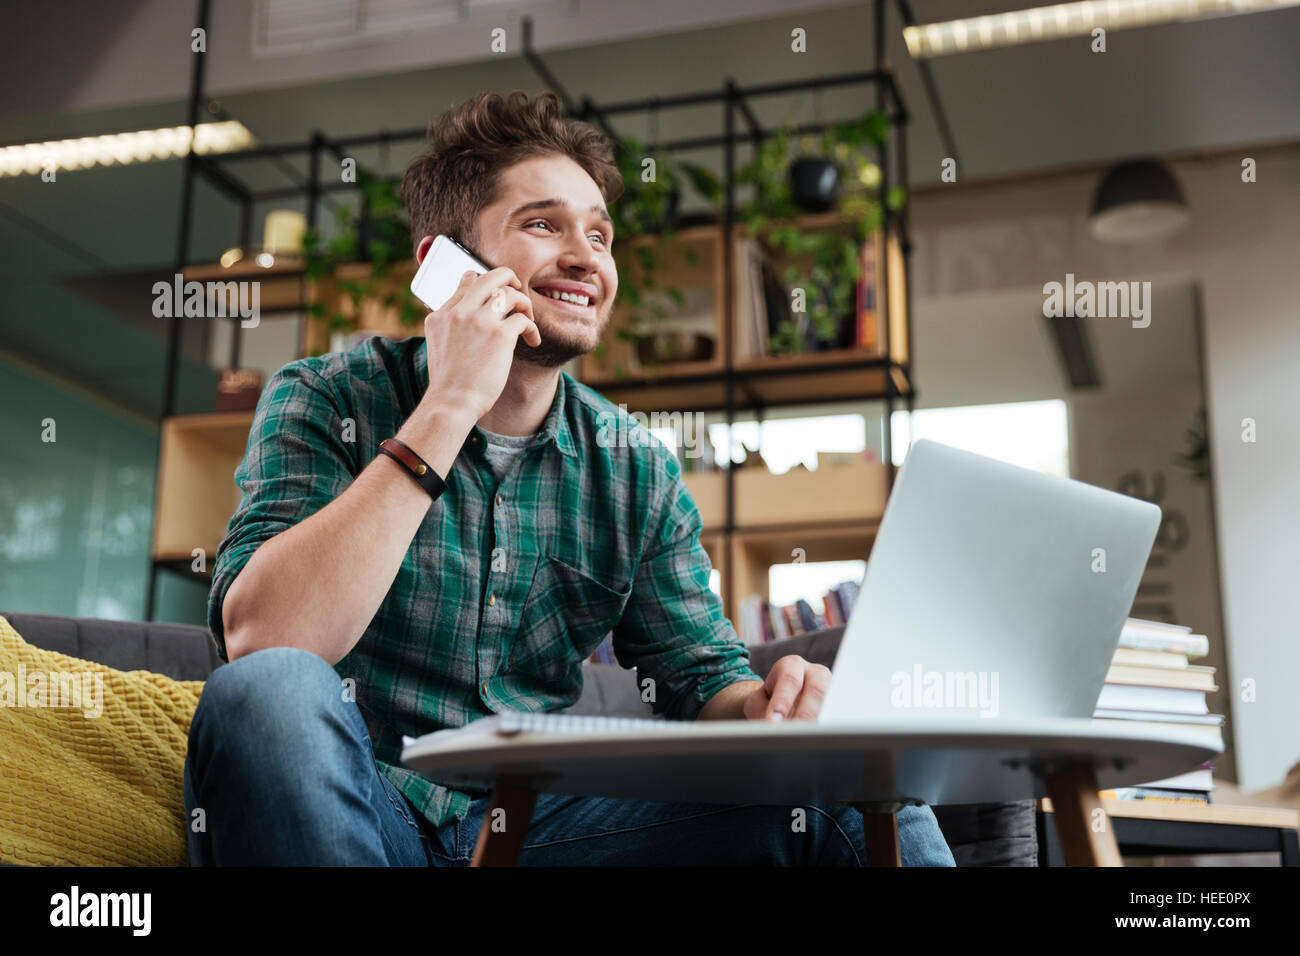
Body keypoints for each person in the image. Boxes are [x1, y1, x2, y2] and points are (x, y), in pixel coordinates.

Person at [184, 89, 955, 867]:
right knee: (268, 694)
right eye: (543, 224)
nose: (587, 257)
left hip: (538, 833)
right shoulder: (328, 395)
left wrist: (769, 705)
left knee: (865, 786)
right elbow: (266, 641)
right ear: (441, 267)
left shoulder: (635, 468)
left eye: (599, 234)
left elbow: (701, 678)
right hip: (361, 808)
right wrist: (448, 408)